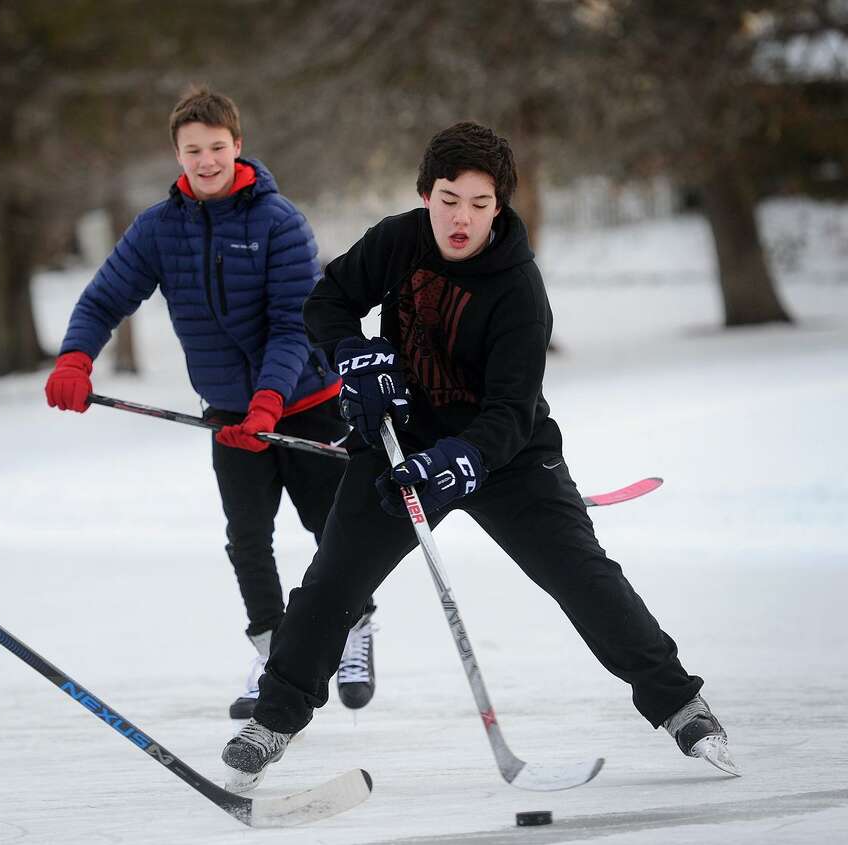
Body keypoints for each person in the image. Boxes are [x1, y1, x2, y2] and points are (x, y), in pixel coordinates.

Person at [221, 122, 736, 791]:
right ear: (425, 193)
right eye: (447, 198)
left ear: (500, 206)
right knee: (333, 580)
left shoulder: (519, 289)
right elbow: (328, 302)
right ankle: (272, 721)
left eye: (479, 202)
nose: (460, 217)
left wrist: (462, 460)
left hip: (508, 454)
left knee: (581, 573)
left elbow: (512, 411)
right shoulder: (398, 240)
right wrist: (356, 357)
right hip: (401, 440)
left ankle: (682, 707)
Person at [44, 86, 379, 719]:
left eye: (217, 148)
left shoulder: (280, 223)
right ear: (177, 153)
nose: (206, 160)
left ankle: (355, 628)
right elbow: (104, 298)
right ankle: (276, 657)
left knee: (331, 532)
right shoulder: (158, 228)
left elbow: (293, 326)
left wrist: (269, 404)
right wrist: (75, 357)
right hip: (230, 412)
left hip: (305, 401)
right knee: (248, 538)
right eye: (193, 150)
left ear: (238, 146)